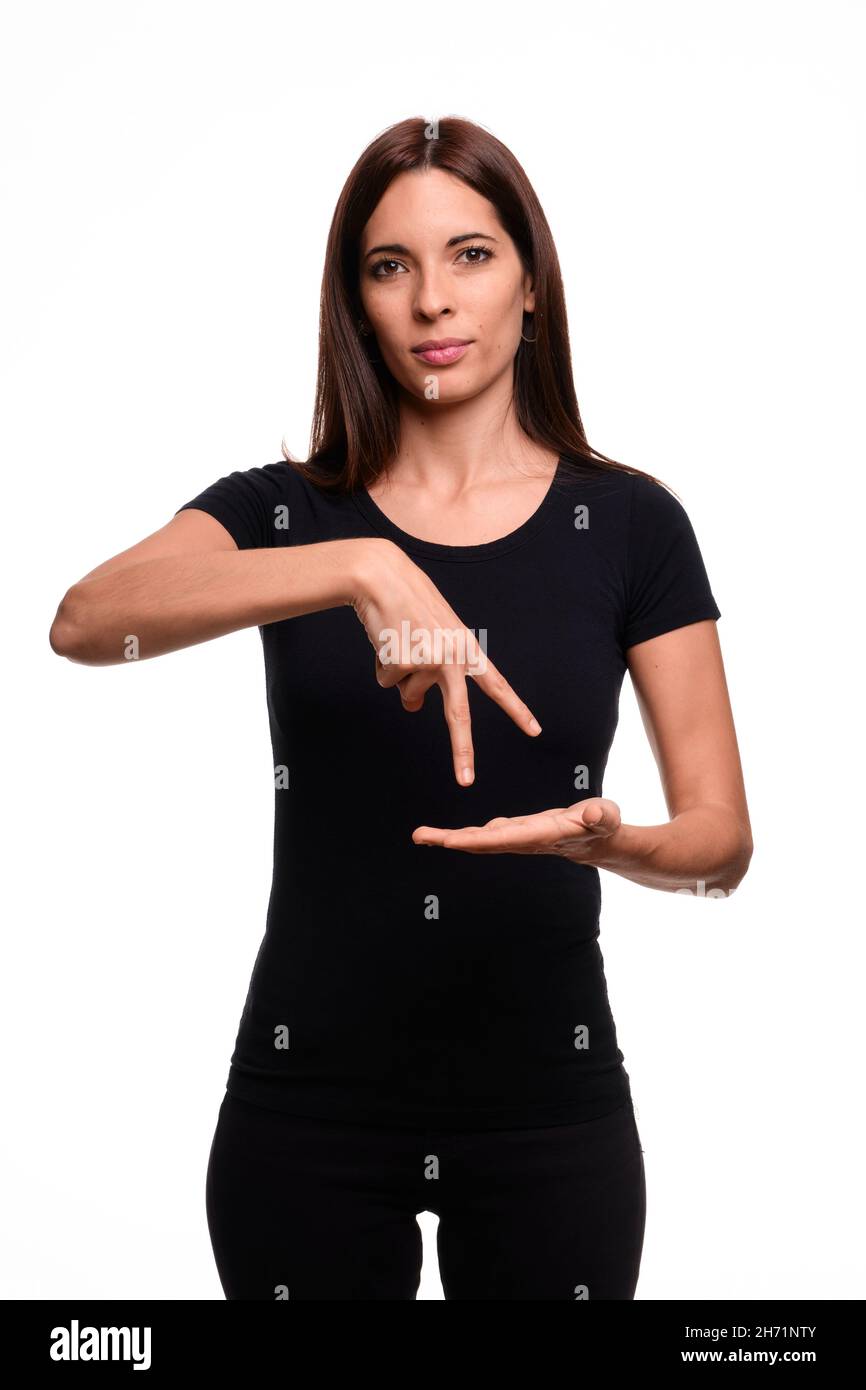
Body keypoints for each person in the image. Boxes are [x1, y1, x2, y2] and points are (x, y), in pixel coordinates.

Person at [48, 115, 753, 1300]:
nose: (433, 299)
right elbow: (85, 620)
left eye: (471, 254)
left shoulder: (629, 525)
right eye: (391, 266)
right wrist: (357, 566)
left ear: (531, 284)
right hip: (305, 1112)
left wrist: (607, 840)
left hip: (547, 1113)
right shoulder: (284, 510)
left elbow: (719, 846)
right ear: (357, 302)